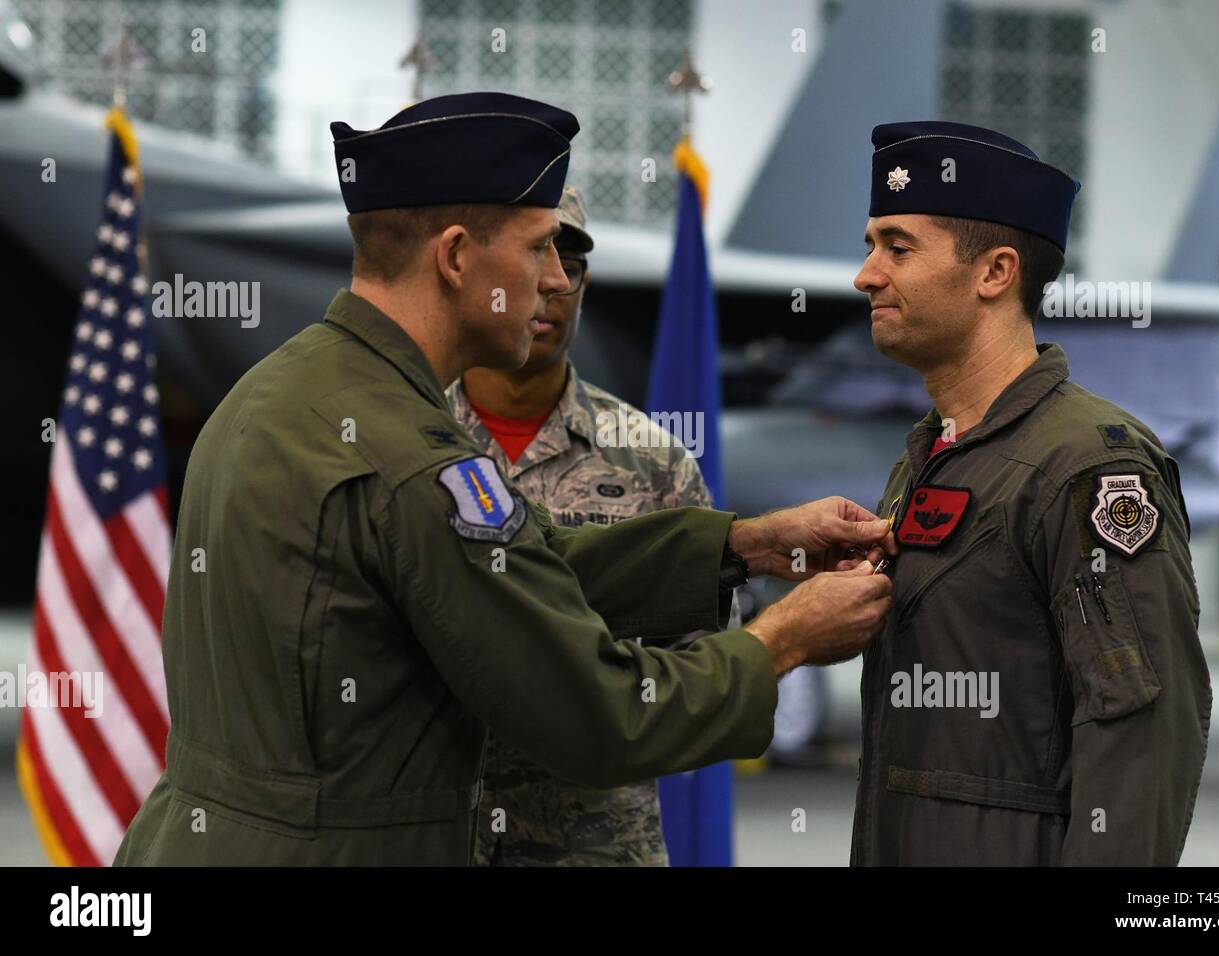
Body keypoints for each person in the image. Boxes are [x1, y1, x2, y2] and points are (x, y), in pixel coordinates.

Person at [113, 92, 895, 866]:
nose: (557, 279)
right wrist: (784, 639)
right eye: (537, 248)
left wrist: (744, 546)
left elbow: (522, 566)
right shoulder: (415, 464)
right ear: (457, 258)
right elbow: (600, 715)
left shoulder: (280, 391)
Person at [849, 120, 1211, 866]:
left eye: (898, 247)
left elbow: (1142, 729)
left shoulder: (1089, 468)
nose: (866, 275)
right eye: (870, 246)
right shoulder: (930, 457)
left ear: (995, 272)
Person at [449, 184, 717, 866]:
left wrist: (589, 688)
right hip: (434, 835)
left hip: (597, 845)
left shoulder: (654, 462)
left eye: (567, 262)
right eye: (529, 253)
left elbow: (705, 668)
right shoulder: (408, 435)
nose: (550, 282)